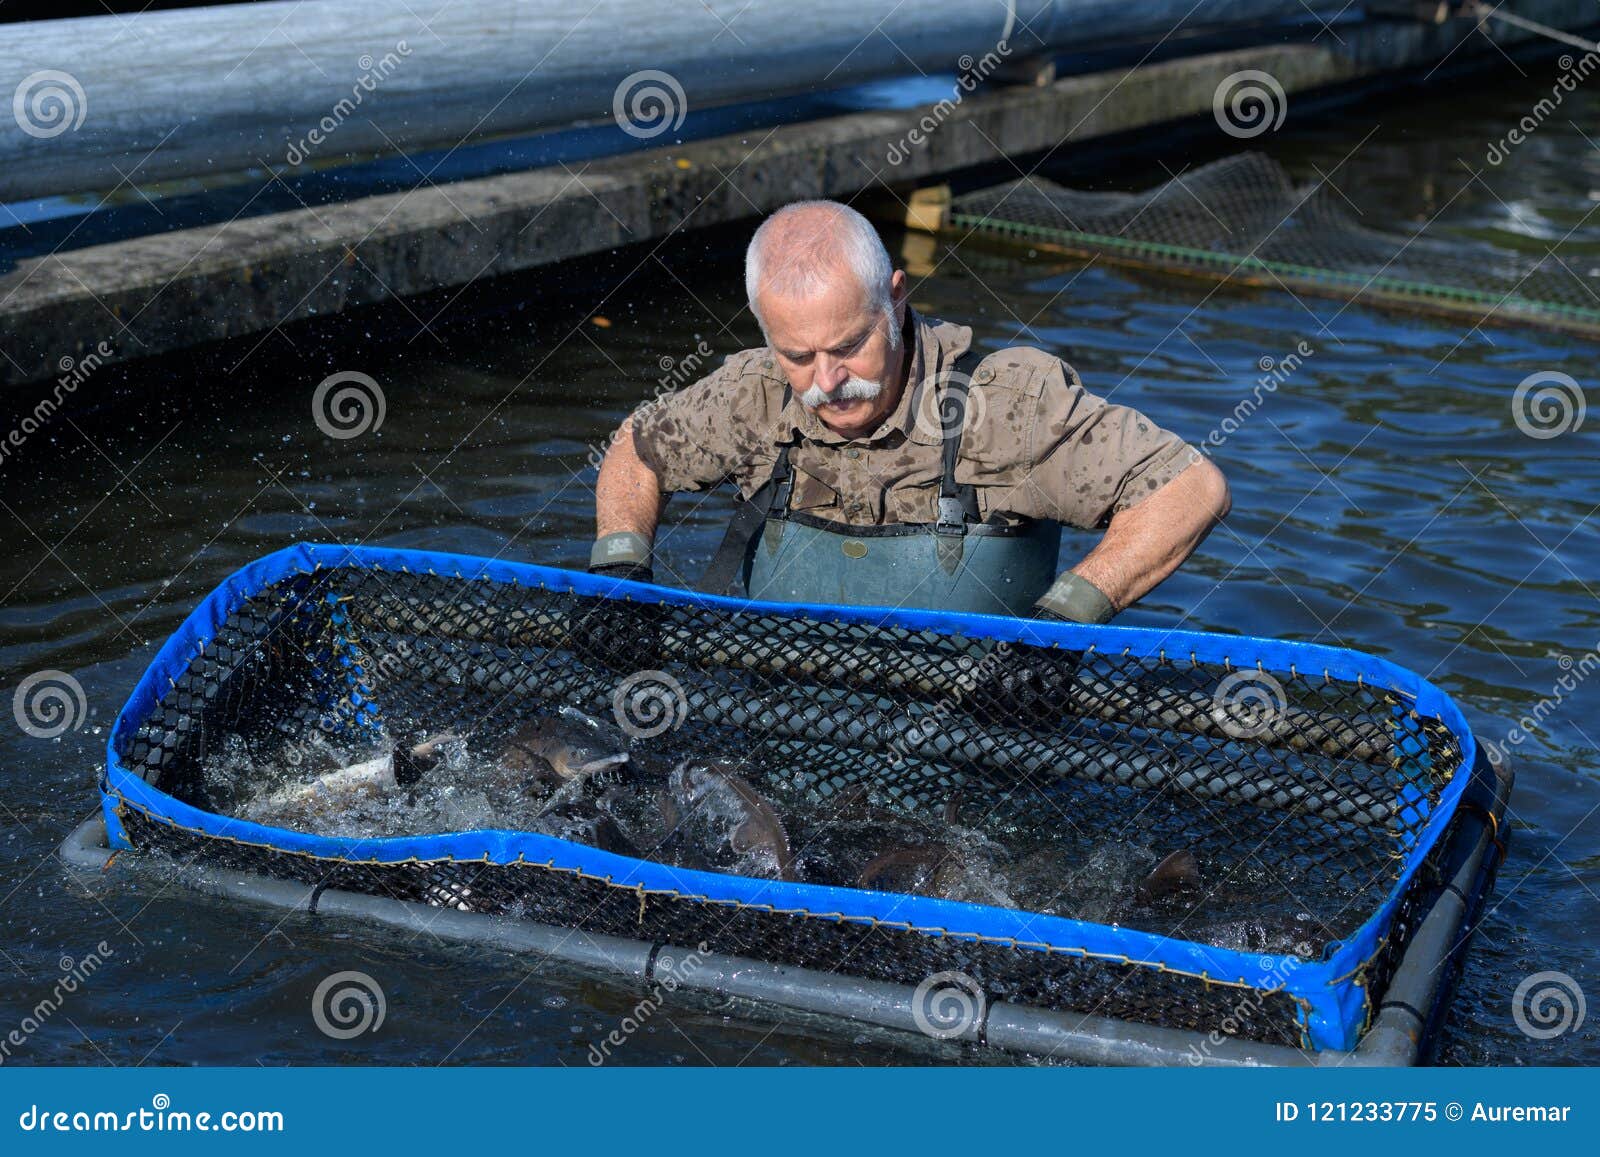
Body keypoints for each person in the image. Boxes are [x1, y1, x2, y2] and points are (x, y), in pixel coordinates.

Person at [588, 199, 1228, 624]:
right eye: (797, 355)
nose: (828, 382)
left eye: (848, 346)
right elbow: (636, 451)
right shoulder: (751, 395)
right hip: (786, 707)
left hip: (975, 730)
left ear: (894, 301)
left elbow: (1189, 489)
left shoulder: (1007, 406)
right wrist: (620, 568)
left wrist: (1061, 623)